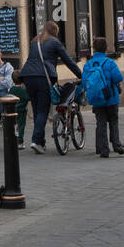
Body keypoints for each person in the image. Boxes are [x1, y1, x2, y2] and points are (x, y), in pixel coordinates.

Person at [18, 21, 81, 154]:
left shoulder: (35, 41)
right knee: (42, 110)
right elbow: (68, 61)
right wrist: (81, 75)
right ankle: (35, 140)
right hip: (43, 78)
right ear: (55, 32)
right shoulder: (55, 42)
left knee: (36, 110)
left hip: (28, 77)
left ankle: (40, 142)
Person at [83, 37, 124, 157]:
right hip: (111, 97)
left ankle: (103, 149)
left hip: (97, 98)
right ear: (106, 48)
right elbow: (118, 78)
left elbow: (84, 83)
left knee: (101, 123)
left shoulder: (88, 64)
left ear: (94, 49)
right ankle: (117, 144)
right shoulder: (110, 63)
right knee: (113, 121)